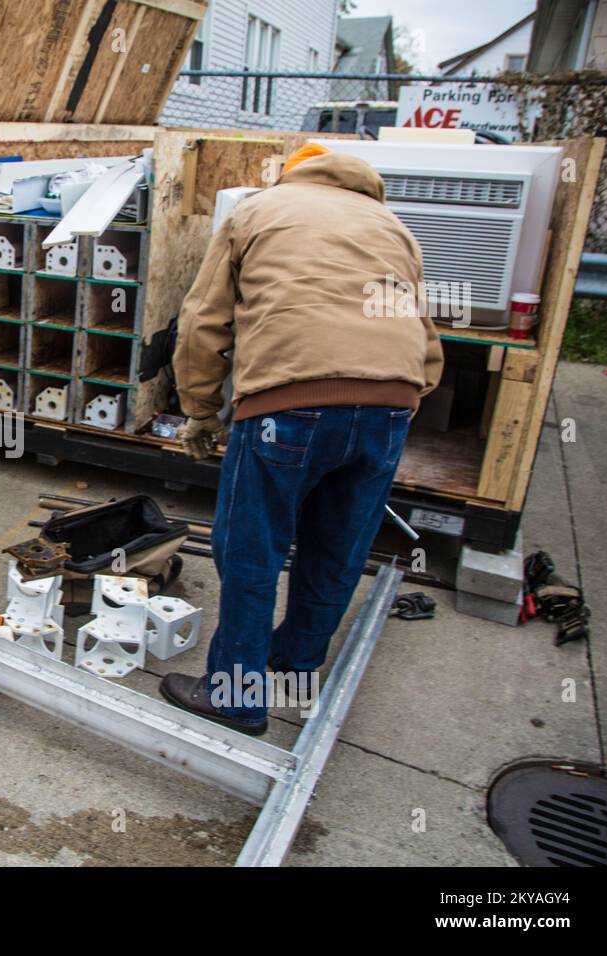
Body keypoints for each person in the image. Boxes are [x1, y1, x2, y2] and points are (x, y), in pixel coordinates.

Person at [160, 143, 442, 736]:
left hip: (286, 404)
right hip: (391, 404)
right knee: (338, 548)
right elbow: (428, 341)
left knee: (253, 550)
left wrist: (200, 411)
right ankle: (295, 663)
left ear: (294, 173)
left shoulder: (259, 211)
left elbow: (203, 322)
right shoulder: (393, 226)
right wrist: (392, 401)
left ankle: (235, 696)